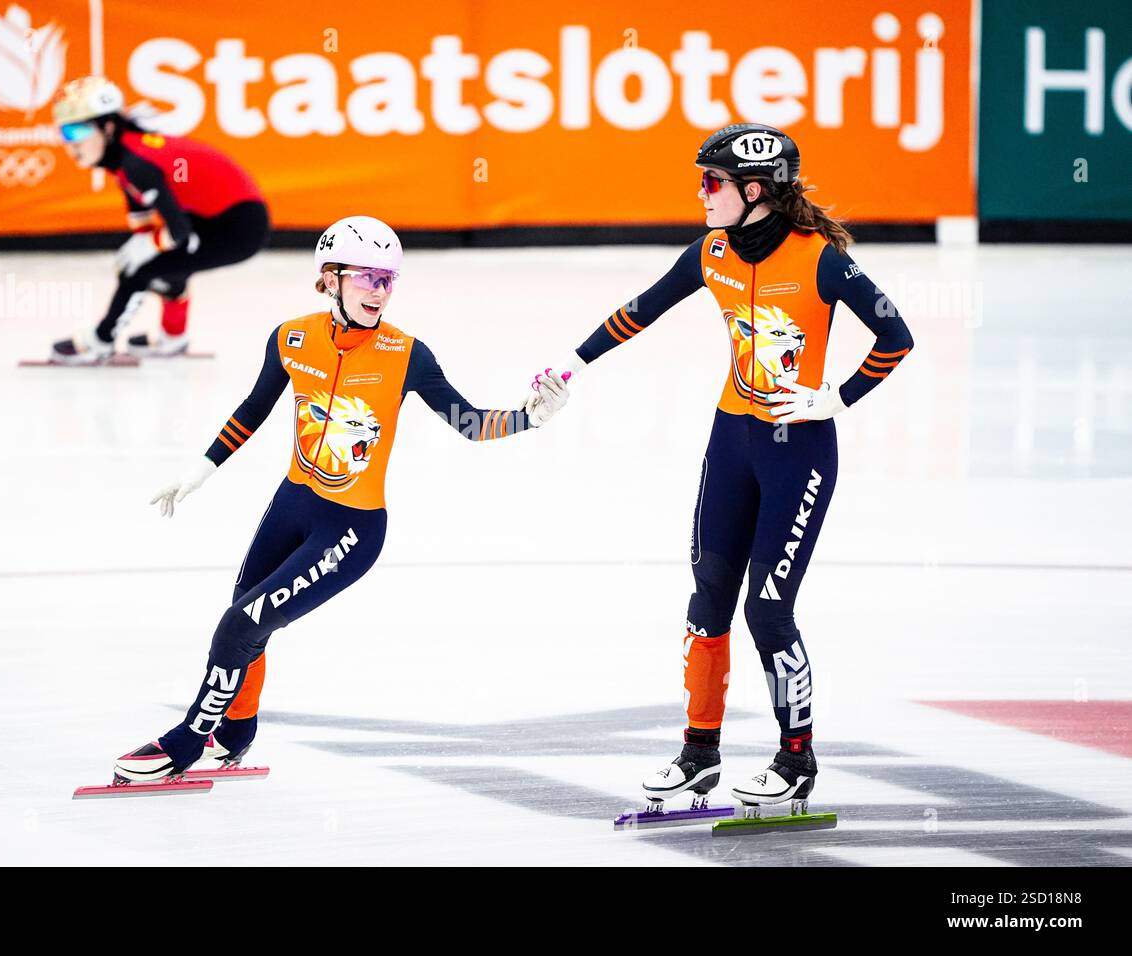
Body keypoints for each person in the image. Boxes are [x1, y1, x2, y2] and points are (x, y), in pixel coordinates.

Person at [528, 123, 914, 812]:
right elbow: (638, 311)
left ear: (756, 190)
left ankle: (796, 759)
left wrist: (837, 397)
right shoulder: (711, 251)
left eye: (712, 182)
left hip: (797, 451)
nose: (700, 194)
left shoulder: (823, 259)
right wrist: (571, 365)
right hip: (731, 438)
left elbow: (897, 334)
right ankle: (700, 752)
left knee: (768, 609)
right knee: (708, 599)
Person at [113, 216, 571, 782]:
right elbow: (254, 409)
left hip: (350, 528)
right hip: (292, 504)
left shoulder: (408, 355)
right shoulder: (291, 337)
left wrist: (528, 418)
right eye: (368, 277)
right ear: (329, 278)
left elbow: (469, 423)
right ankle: (234, 733)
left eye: (389, 279)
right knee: (246, 622)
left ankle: (185, 742)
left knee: (239, 627)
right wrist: (203, 468)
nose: (381, 290)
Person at [49, 76, 269, 363]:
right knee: (164, 266)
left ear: (108, 127)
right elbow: (149, 221)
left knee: (141, 270)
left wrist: (148, 247)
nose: (70, 144)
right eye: (65, 133)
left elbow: (177, 232)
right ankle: (172, 338)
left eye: (77, 131)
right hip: (219, 216)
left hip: (238, 226)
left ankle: (101, 341)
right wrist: (146, 240)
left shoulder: (135, 162)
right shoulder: (125, 156)